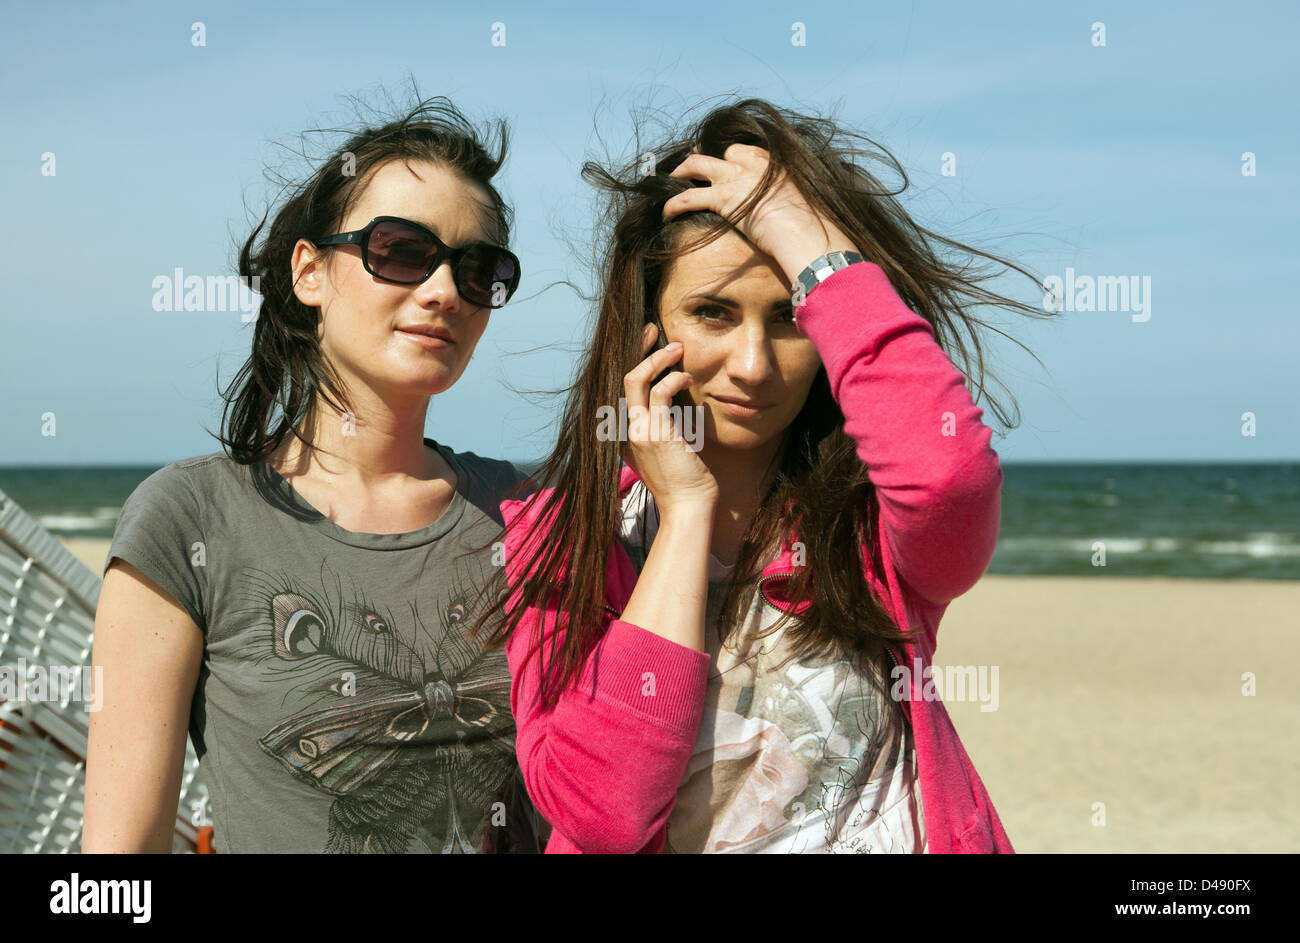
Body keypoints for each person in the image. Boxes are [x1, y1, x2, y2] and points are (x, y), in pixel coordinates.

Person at [476, 98, 1050, 853]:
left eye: (788, 315)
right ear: (647, 328)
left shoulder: (869, 530)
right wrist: (683, 513)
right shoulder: (563, 541)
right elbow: (604, 812)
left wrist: (810, 243)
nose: (753, 365)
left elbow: (947, 477)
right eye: (713, 312)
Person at [83, 95, 540, 853]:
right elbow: (116, 862)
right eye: (400, 250)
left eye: (478, 269)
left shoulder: (528, 512)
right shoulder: (191, 519)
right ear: (309, 271)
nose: (443, 292)